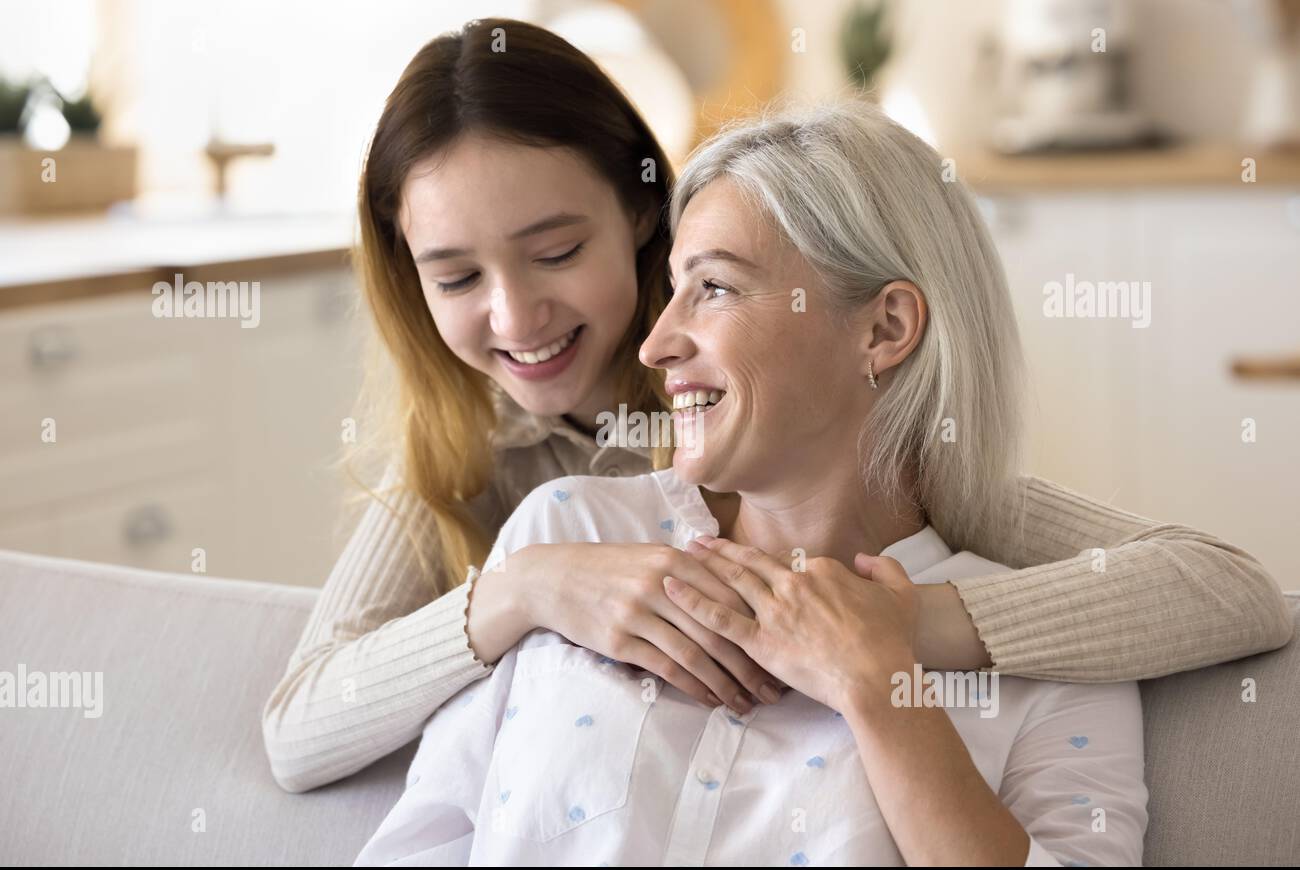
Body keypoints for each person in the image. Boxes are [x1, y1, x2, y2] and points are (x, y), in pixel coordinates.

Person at [262, 18, 1291, 796]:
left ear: (640, 220)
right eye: (454, 277)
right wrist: (524, 589)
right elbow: (298, 729)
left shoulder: (783, 433)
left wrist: (884, 629)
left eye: (556, 252)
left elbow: (1226, 590)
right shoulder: (473, 456)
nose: (515, 314)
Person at [355, 101, 1146, 865]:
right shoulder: (566, 535)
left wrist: (879, 690)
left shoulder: (1053, 668)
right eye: (674, 290)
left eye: (717, 288)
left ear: (885, 328)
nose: (657, 343)